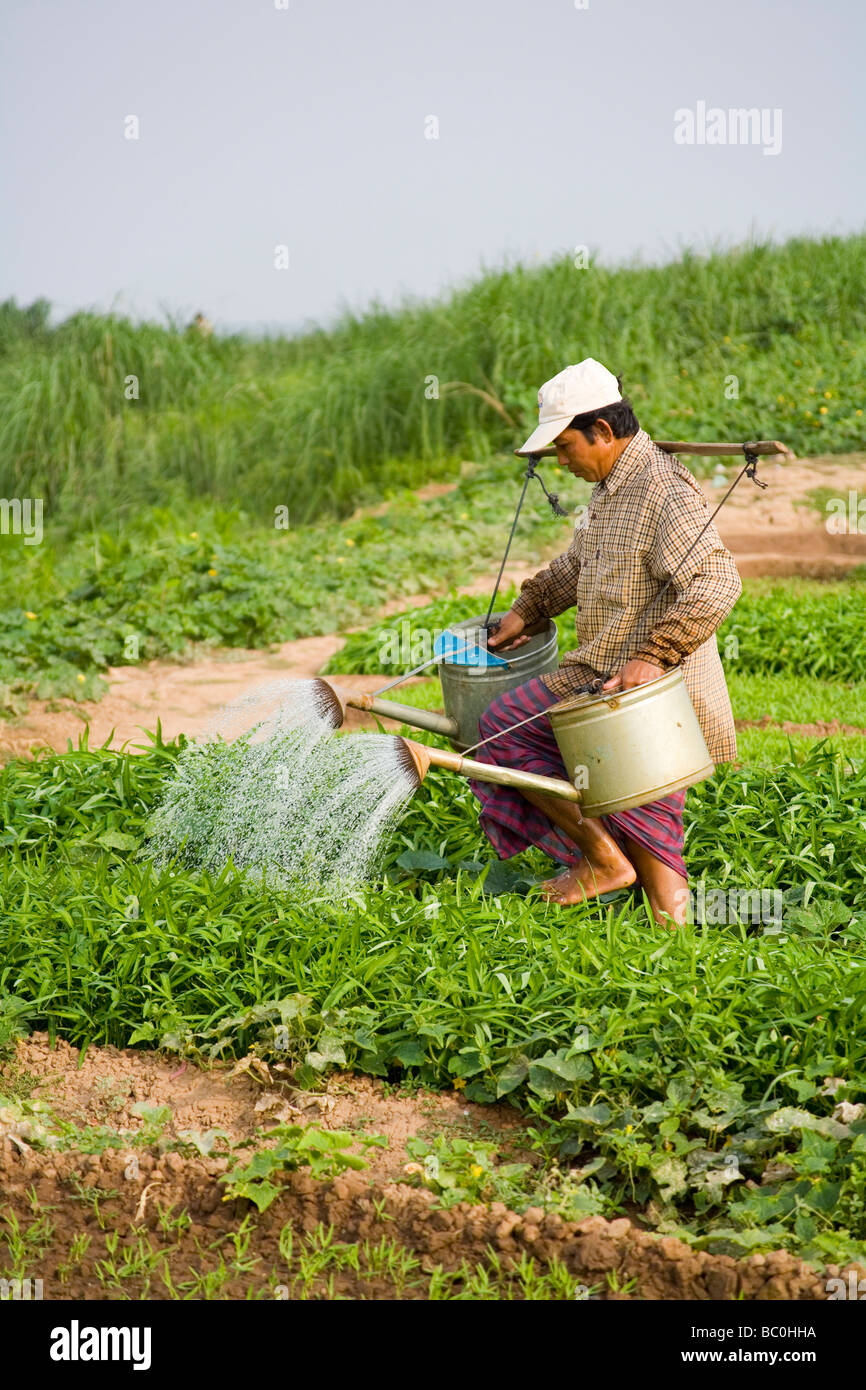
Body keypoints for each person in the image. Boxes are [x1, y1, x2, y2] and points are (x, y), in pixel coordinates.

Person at [470, 358, 742, 926]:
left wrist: (653, 657)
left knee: (647, 812)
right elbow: (585, 564)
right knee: (506, 728)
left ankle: (675, 945)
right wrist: (530, 607)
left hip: (658, 695)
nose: (560, 461)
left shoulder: (663, 491)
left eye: (565, 447)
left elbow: (717, 580)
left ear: (602, 431)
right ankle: (604, 860)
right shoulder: (612, 486)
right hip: (599, 674)